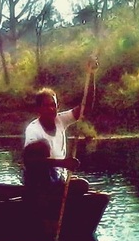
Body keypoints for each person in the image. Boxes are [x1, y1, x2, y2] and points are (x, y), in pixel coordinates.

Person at [23, 59, 97, 199]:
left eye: (54, 105)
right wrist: (62, 163)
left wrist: (91, 74)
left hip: (58, 179)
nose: (51, 109)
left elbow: (85, 108)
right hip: (39, 182)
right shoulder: (33, 129)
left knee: (82, 185)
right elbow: (30, 161)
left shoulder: (61, 120)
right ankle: (46, 209)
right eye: (46, 106)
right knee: (41, 147)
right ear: (38, 109)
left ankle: (57, 198)